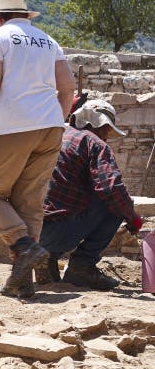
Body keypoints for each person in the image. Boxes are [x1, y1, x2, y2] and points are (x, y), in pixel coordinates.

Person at [0, 0, 76, 298]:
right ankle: (22, 281)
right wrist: (57, 119)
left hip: (9, 127)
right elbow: (68, 87)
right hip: (49, 127)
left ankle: (24, 245)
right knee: (29, 203)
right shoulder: (49, 41)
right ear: (26, 15)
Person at [36, 99, 142, 290]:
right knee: (115, 206)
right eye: (107, 130)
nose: (107, 137)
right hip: (57, 232)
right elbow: (112, 189)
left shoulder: (54, 134)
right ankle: (82, 267)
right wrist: (133, 217)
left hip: (27, 231)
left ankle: (47, 257)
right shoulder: (94, 144)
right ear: (98, 125)